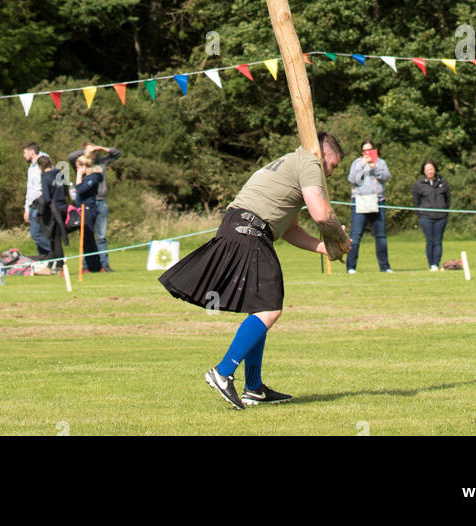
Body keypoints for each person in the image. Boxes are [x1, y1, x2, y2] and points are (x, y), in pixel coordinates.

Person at [159, 132, 348, 409]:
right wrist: (341, 238)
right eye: (334, 165)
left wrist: (325, 248)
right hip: (250, 231)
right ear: (324, 154)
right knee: (269, 309)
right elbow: (320, 214)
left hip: (243, 228)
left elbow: (291, 229)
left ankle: (254, 388)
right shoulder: (310, 163)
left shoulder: (292, 162)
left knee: (261, 305)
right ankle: (222, 372)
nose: (331, 173)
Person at [68, 141, 121, 270]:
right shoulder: (81, 163)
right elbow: (71, 156)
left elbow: (117, 154)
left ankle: (104, 264)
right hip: (86, 202)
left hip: (101, 201)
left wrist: (102, 148)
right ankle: (87, 265)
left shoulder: (101, 163)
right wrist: (86, 151)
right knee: (86, 234)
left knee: (101, 235)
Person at [346, 140, 393, 274]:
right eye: (365, 150)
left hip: (377, 201)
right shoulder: (356, 163)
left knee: (381, 236)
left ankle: (385, 267)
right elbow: (352, 179)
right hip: (359, 201)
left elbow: (386, 177)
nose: (368, 153)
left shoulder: (381, 162)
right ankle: (351, 267)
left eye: (370, 149)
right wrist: (362, 165)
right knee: (355, 236)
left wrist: (374, 167)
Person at [412, 160, 451, 270]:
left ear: (435, 169)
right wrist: (420, 214)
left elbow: (448, 199)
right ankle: (431, 264)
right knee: (430, 241)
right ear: (424, 171)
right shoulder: (418, 185)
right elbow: (416, 201)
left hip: (441, 217)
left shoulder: (443, 182)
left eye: (431, 169)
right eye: (427, 169)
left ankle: (436, 263)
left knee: (438, 241)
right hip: (426, 217)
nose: (430, 171)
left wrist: (444, 211)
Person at [69, 156, 102, 273]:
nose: (77, 169)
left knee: (88, 238)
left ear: (84, 166)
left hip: (88, 208)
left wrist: (78, 176)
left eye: (78, 167)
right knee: (85, 239)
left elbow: (81, 189)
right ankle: (91, 265)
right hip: (80, 208)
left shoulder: (93, 177)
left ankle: (95, 266)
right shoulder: (86, 177)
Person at [36, 154, 70, 262]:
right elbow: (65, 192)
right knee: (54, 238)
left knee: (55, 239)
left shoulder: (45, 178)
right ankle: (52, 265)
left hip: (54, 211)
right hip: (63, 207)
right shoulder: (61, 174)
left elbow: (46, 198)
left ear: (40, 166)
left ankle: (60, 265)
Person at [23, 142, 52, 258]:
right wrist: (26, 208)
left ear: (31, 152)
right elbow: (29, 189)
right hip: (32, 204)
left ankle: (54, 253)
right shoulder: (31, 168)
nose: (24, 156)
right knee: (39, 234)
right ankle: (44, 260)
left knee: (36, 234)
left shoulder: (43, 163)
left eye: (25, 153)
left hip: (40, 203)